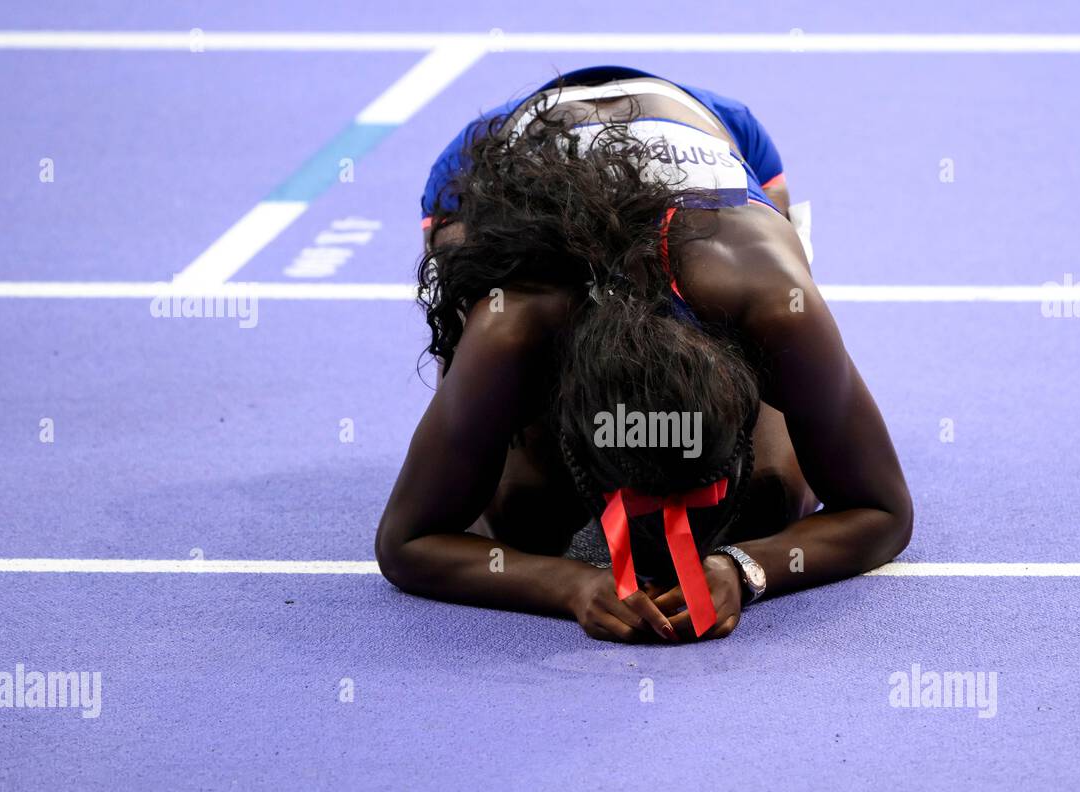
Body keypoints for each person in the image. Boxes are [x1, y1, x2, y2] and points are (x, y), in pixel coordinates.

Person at [376, 65, 912, 643]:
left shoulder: (774, 307)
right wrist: (566, 584)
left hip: (719, 134)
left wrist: (745, 567)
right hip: (485, 167)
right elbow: (407, 541)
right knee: (523, 517)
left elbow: (884, 510)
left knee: (771, 499)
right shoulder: (514, 327)